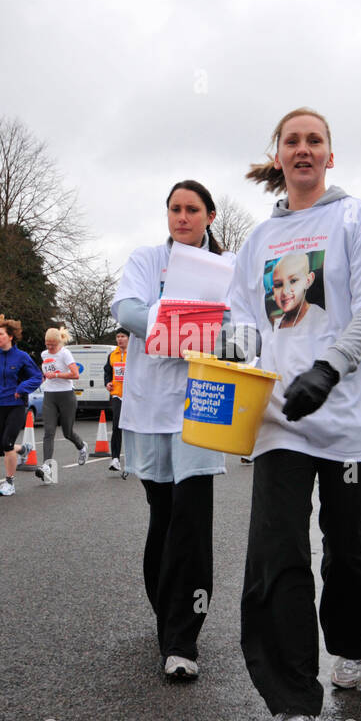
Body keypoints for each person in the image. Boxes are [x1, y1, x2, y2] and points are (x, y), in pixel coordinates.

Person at [229, 107, 361, 721]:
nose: (303, 149)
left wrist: (328, 369)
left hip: (351, 418)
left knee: (347, 550)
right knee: (278, 552)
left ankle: (352, 643)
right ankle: (292, 702)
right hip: (279, 421)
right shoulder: (256, 241)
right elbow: (243, 317)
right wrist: (240, 354)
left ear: (330, 155)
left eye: (314, 141)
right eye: (291, 141)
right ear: (278, 155)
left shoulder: (356, 218)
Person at [111, 179, 229, 682]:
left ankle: (183, 638)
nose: (182, 217)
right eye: (175, 209)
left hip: (204, 401)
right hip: (152, 404)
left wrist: (187, 328)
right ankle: (166, 616)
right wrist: (189, 325)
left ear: (210, 216)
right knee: (162, 514)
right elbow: (127, 311)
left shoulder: (227, 265)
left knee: (192, 516)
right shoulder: (144, 259)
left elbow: (239, 325)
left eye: (192, 209)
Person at [0, 314, 43, 497]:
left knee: (7, 443)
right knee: (0, 449)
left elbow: (37, 377)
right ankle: (23, 449)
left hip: (16, 404)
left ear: (10, 336)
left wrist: (22, 388)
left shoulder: (22, 357)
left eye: (1, 334)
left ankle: (9, 482)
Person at [37, 326, 88, 483]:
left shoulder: (65, 353)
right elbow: (45, 369)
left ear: (58, 342)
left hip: (66, 395)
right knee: (49, 431)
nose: (50, 347)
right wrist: (44, 377)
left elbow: (75, 374)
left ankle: (82, 447)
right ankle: (46, 465)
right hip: (49, 395)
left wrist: (57, 374)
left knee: (67, 432)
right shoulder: (44, 354)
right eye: (47, 344)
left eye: (52, 344)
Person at [103, 327, 129, 472]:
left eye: (123, 336)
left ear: (129, 338)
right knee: (116, 426)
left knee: (132, 428)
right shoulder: (112, 355)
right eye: (118, 336)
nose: (120, 339)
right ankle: (115, 459)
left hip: (132, 395)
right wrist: (107, 382)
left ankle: (135, 459)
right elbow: (107, 371)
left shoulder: (134, 354)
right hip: (117, 394)